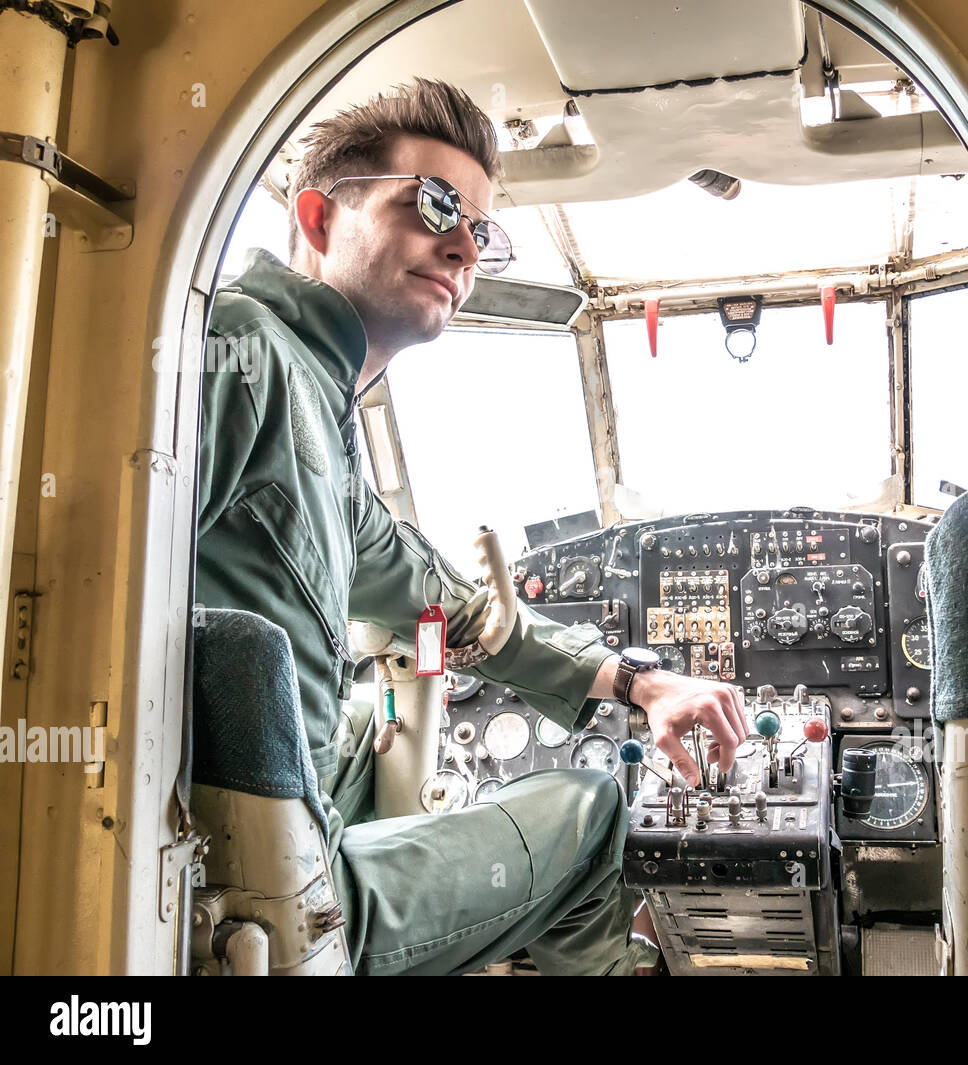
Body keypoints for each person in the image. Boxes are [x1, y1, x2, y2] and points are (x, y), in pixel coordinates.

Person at [194, 77, 748, 975]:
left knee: (375, 767)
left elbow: (459, 609)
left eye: (481, 228)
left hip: (265, 857)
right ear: (316, 217)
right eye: (434, 204)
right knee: (595, 807)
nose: (463, 243)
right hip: (247, 896)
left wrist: (637, 682)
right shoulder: (242, 350)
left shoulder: (325, 433)